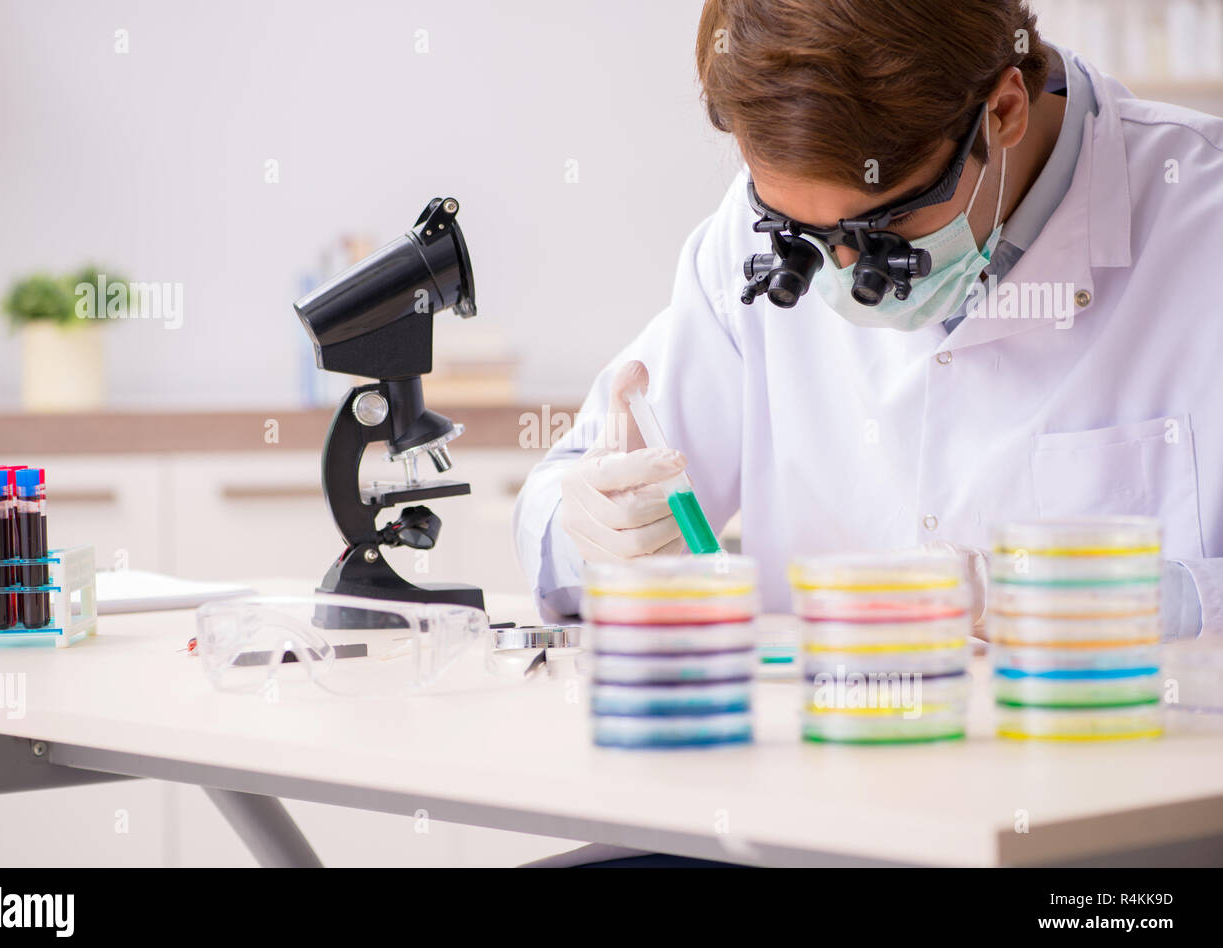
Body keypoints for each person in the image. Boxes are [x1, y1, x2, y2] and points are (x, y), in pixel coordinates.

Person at [513, 0, 1223, 643]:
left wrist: (1122, 598)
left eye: (886, 227)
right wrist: (594, 533)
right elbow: (556, 500)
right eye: (799, 236)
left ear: (1002, 110)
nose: (849, 274)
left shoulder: (1202, 218)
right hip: (820, 771)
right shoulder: (742, 237)